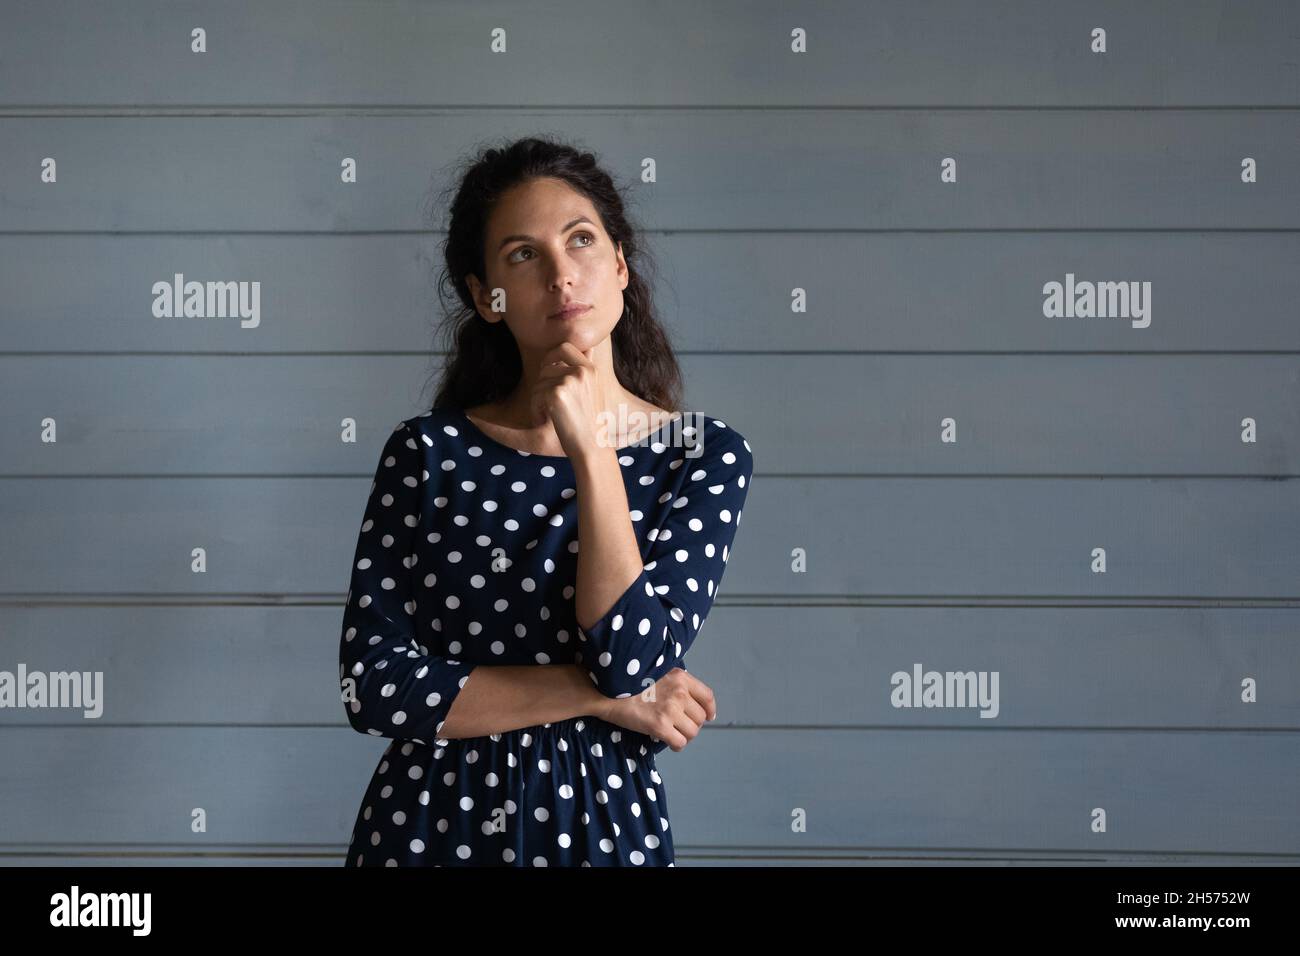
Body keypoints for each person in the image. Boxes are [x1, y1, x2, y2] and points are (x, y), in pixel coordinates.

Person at [339, 136, 754, 866]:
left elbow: (628, 657)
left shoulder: (702, 455)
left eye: (581, 240)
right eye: (523, 255)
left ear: (621, 266)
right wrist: (598, 698)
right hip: (427, 829)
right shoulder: (427, 453)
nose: (562, 276)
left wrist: (592, 452)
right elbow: (375, 688)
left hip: (598, 826)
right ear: (485, 297)